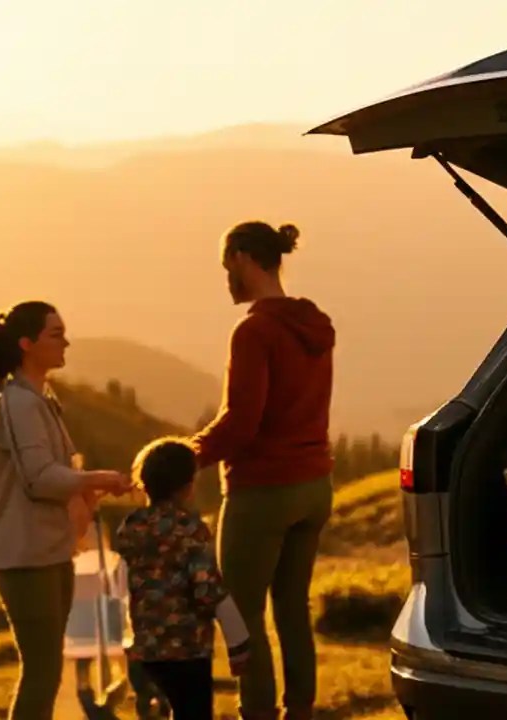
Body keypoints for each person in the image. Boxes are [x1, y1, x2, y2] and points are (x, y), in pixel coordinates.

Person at [191, 221, 336, 720]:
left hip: (264, 490)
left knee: (240, 610)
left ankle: (256, 712)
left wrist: (190, 454)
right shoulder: (314, 324)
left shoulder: (254, 331)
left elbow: (242, 422)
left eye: (226, 266)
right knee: (292, 607)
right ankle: (299, 710)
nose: (225, 277)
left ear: (242, 258)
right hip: (314, 484)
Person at [0, 300, 133, 720]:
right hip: (23, 554)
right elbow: (40, 478)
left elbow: (53, 474)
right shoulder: (20, 403)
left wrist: (87, 489)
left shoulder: (38, 398)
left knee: (46, 669)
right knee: (41, 672)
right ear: (26, 344)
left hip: (47, 549)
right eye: (55, 334)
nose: (66, 342)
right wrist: (97, 479)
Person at [114, 437, 252, 720]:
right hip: (187, 650)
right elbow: (207, 590)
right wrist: (238, 643)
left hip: (145, 649)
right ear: (188, 488)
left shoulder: (131, 528)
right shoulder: (191, 530)